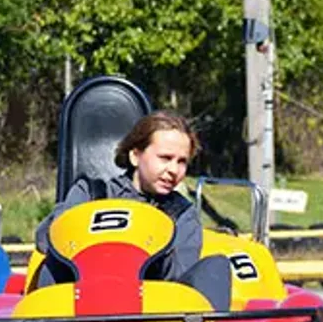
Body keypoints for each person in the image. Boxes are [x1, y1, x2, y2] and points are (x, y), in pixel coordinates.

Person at [35, 110, 204, 282]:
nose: (174, 170)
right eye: (165, 158)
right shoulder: (91, 194)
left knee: (215, 267)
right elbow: (44, 241)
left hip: (151, 304)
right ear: (135, 156)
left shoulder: (183, 215)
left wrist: (154, 247)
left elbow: (181, 277)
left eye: (181, 161)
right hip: (82, 297)